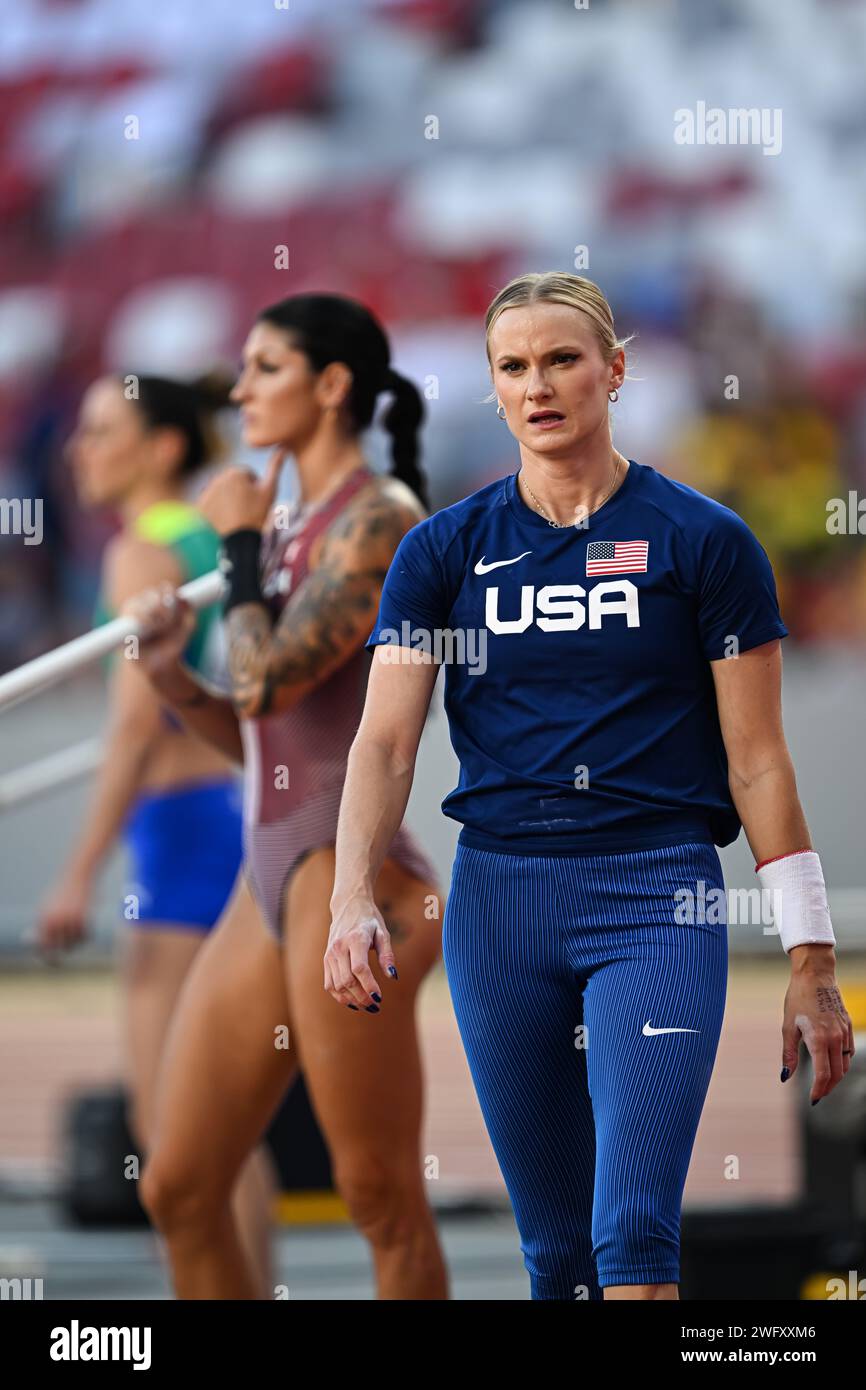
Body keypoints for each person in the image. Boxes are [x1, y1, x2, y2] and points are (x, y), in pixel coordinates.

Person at [325, 270, 855, 1301]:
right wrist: (351, 896)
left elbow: (755, 760)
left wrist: (811, 955)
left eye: (562, 359)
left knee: (632, 1246)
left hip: (655, 898)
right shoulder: (442, 552)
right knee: (557, 1259)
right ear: (491, 386)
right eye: (512, 366)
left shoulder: (703, 541)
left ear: (614, 372)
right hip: (500, 908)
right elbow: (383, 746)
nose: (539, 384)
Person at [130, 294, 447, 1300]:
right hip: (264, 872)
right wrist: (177, 679)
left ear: (331, 385)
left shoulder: (382, 517)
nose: (237, 389)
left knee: (377, 1192)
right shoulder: (283, 527)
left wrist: (231, 546)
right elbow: (259, 734)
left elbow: (276, 680)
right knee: (179, 1185)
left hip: (350, 880)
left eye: (263, 367)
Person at [37, 373, 274, 1290]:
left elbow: (138, 726)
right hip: (221, 822)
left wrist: (76, 874)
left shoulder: (143, 549)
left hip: (180, 838)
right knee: (217, 1122)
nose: (76, 450)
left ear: (162, 448)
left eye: (100, 431)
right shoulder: (203, 536)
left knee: (172, 1126)